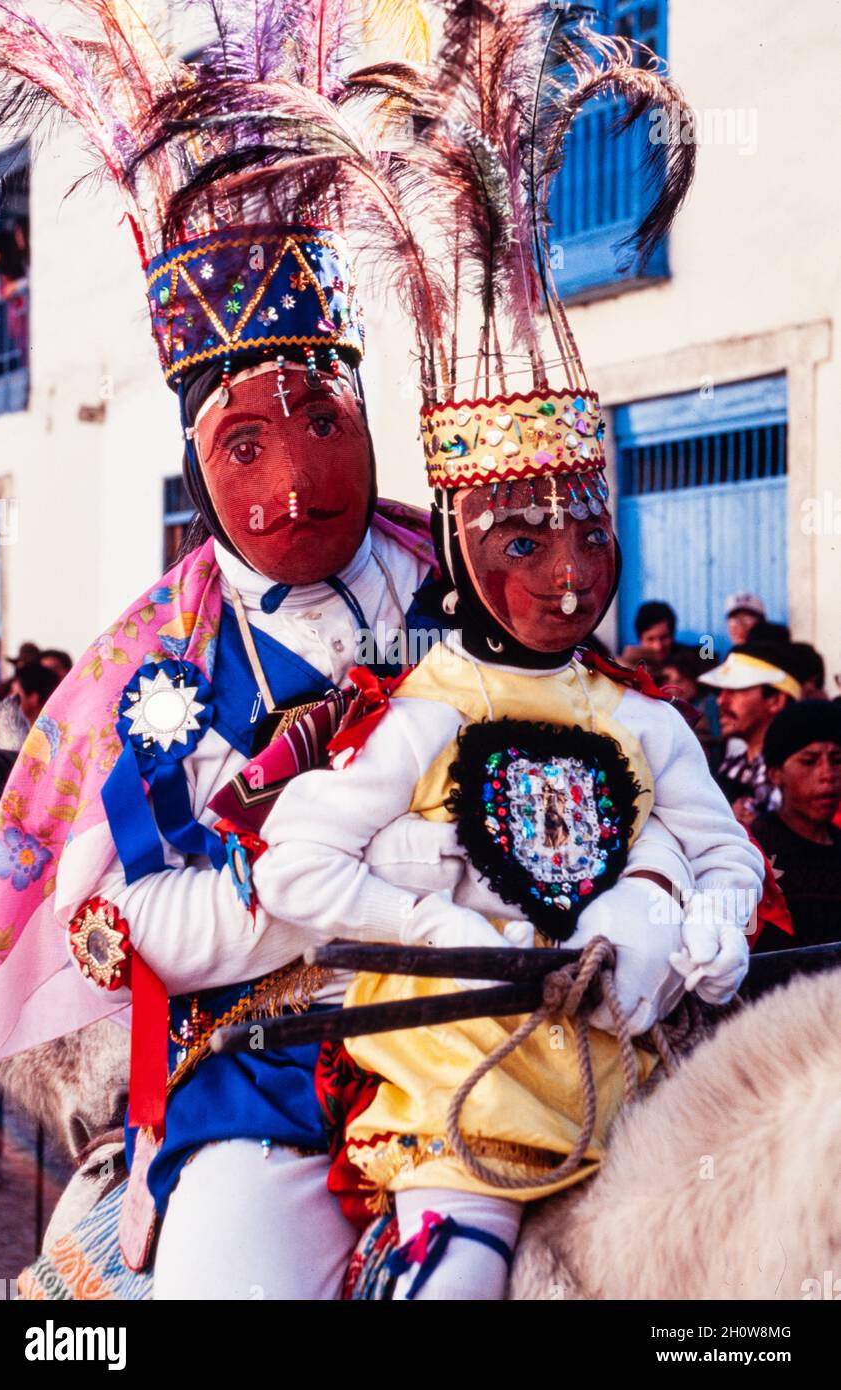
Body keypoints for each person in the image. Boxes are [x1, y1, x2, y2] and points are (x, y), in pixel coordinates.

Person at [258, 14, 762, 1301]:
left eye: (587, 535)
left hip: (634, 1104)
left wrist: (668, 924)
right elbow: (304, 864)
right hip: (459, 1122)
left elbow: (728, 864)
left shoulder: (641, 716)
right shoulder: (428, 702)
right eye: (521, 540)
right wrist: (451, 931)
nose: (564, 574)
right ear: (459, 547)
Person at [0, 1, 443, 1301]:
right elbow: (110, 920)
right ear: (199, 462)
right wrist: (291, 897)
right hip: (272, 1075)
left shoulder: (462, 590)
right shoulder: (154, 663)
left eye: (321, 421)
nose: (294, 485)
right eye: (246, 444)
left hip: (514, 1033)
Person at [750, 701, 841, 950]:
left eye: (836, 759)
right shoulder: (755, 852)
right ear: (775, 774)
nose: (828, 775)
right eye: (809, 761)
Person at [700, 642, 801, 821]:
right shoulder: (731, 766)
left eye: (736, 690)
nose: (721, 701)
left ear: (776, 700)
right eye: (721, 691)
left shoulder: (794, 776)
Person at [619, 599, 692, 673]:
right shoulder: (628, 664)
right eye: (650, 639)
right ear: (640, 639)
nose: (658, 647)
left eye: (663, 638)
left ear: (672, 635)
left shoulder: (690, 659)